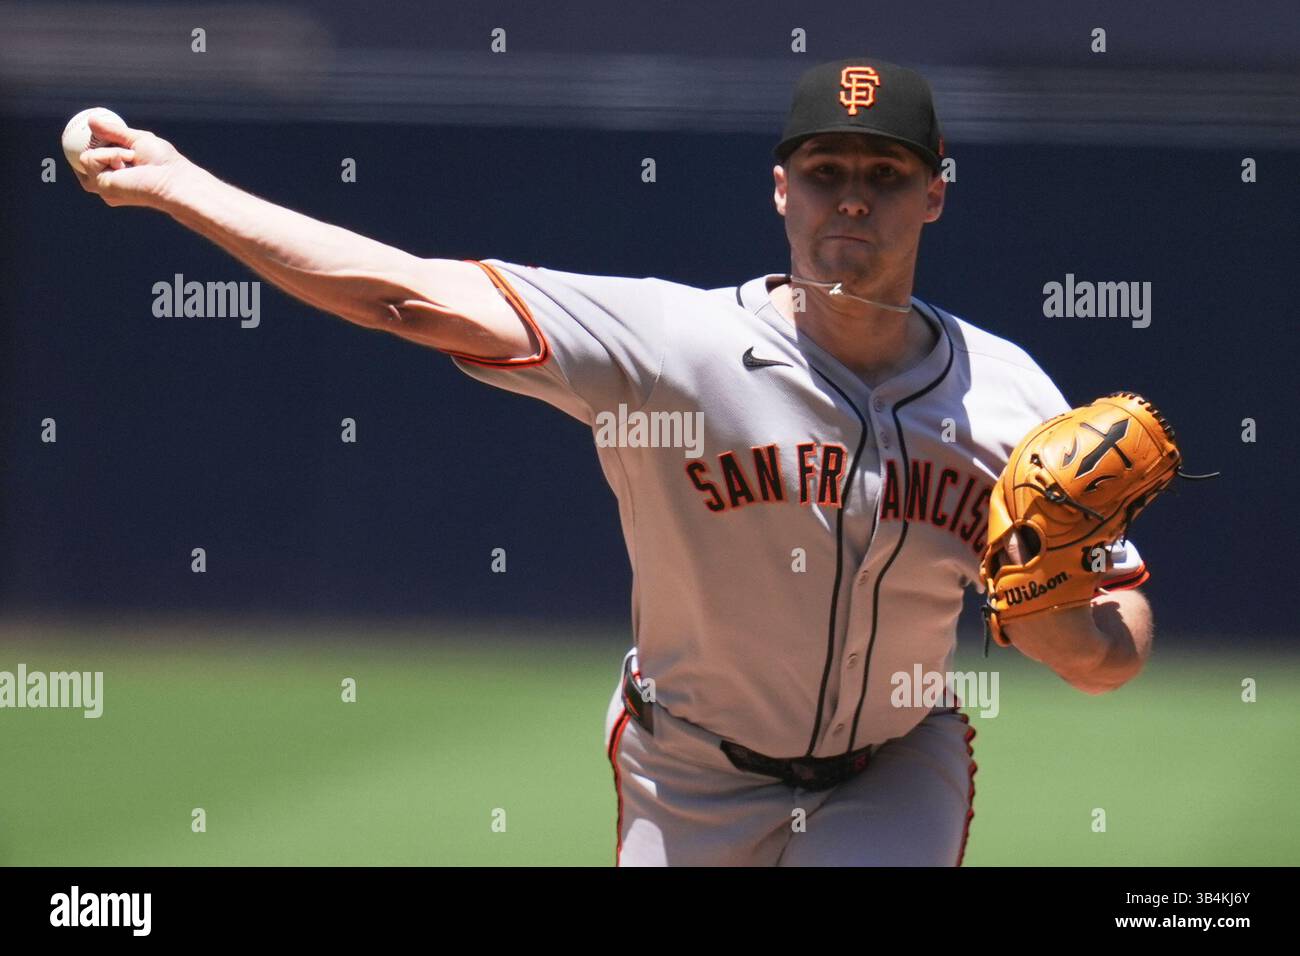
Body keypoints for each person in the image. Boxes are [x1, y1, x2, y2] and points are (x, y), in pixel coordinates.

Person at [72, 56, 1154, 866]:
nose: (854, 197)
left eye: (886, 170)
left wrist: (1063, 618)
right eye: (826, 170)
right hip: (685, 771)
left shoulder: (1009, 397)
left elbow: (1115, 650)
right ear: (781, 189)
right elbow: (402, 292)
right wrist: (180, 185)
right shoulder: (667, 347)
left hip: (894, 769)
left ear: (935, 193)